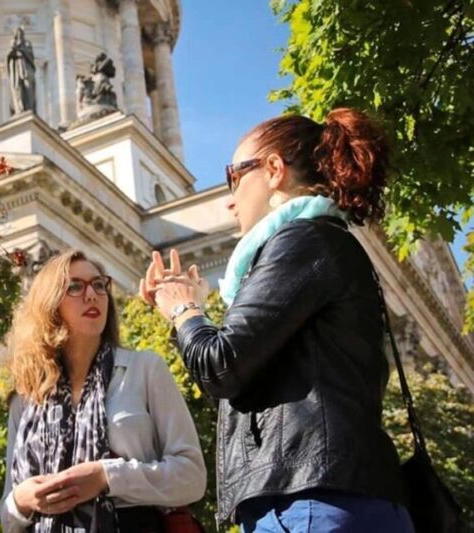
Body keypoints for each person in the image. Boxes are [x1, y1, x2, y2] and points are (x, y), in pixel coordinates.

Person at [140, 108, 414, 532]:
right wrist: (189, 311)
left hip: (309, 501)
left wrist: (184, 310)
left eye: (234, 176)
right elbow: (245, 391)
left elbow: (222, 367)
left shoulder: (301, 241)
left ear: (273, 170)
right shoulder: (317, 243)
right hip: (324, 495)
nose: (229, 199)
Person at [0, 250, 206, 532]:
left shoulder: (144, 369)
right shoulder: (26, 399)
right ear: (49, 305)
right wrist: (21, 500)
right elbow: (7, 516)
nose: (92, 294)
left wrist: (106, 476)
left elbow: (192, 477)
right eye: (74, 286)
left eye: (99, 284)